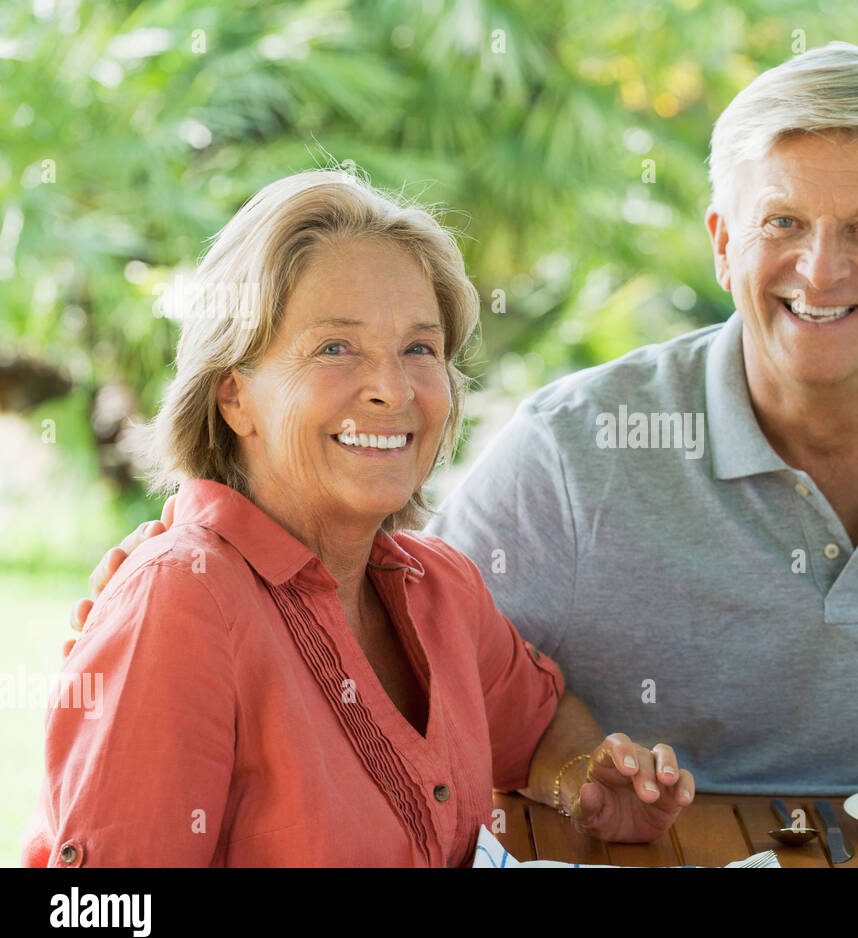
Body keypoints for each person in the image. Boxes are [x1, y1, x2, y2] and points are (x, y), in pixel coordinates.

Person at [75, 45, 858, 795]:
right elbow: (428, 648)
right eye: (782, 223)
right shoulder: (572, 449)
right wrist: (580, 779)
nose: (820, 269)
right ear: (722, 241)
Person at [29, 169, 693, 867]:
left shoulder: (441, 586)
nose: (391, 388)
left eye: (418, 347)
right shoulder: (180, 602)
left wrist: (585, 781)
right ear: (234, 396)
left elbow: (540, 724)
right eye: (335, 347)